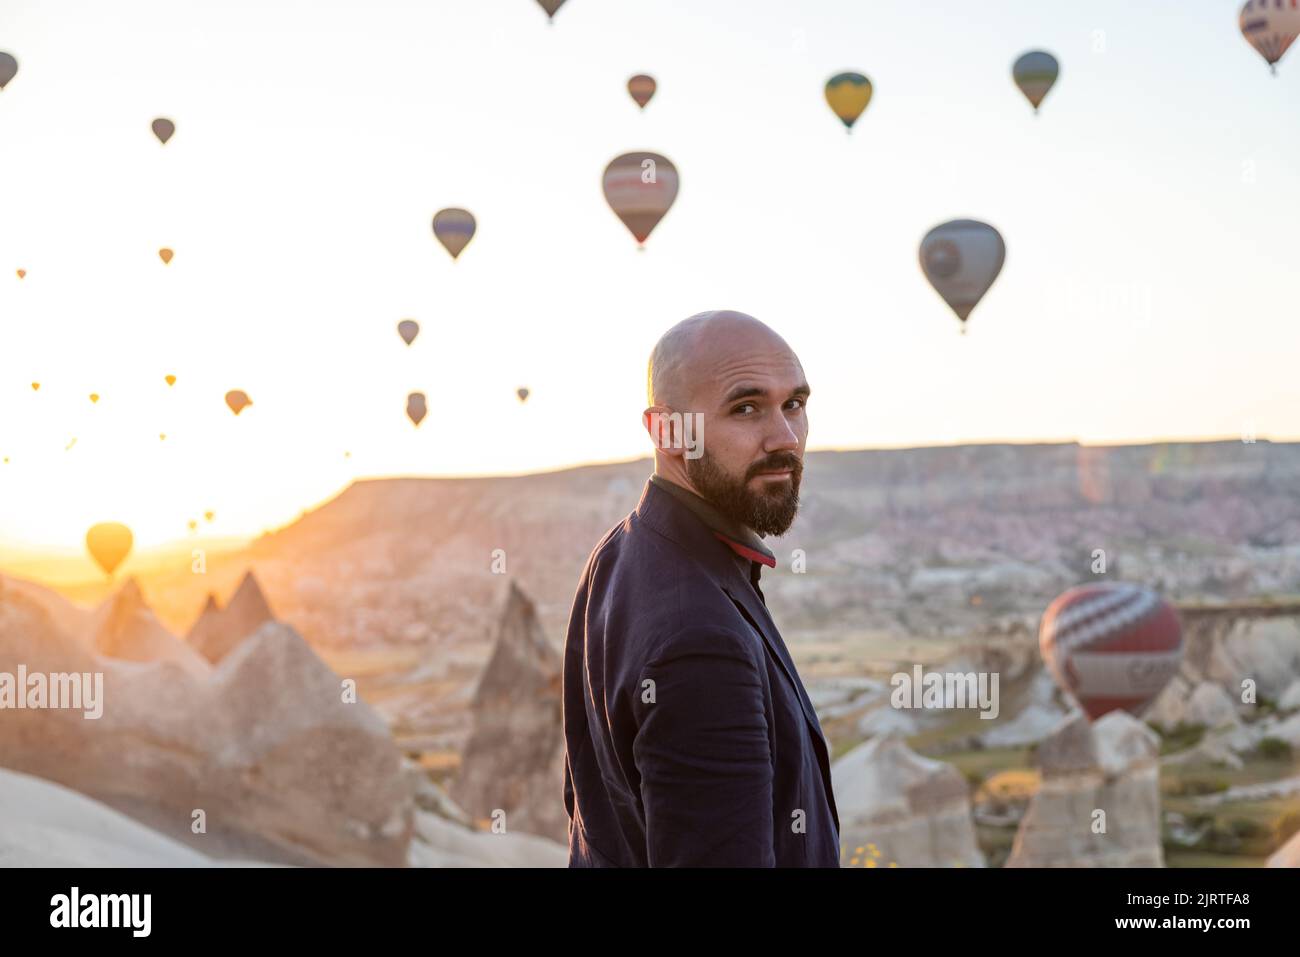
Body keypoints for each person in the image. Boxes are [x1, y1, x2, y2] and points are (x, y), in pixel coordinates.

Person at [562, 309, 840, 867]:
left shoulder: (621, 556)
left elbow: (589, 804)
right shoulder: (700, 637)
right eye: (746, 408)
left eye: (795, 405)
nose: (785, 439)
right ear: (666, 430)